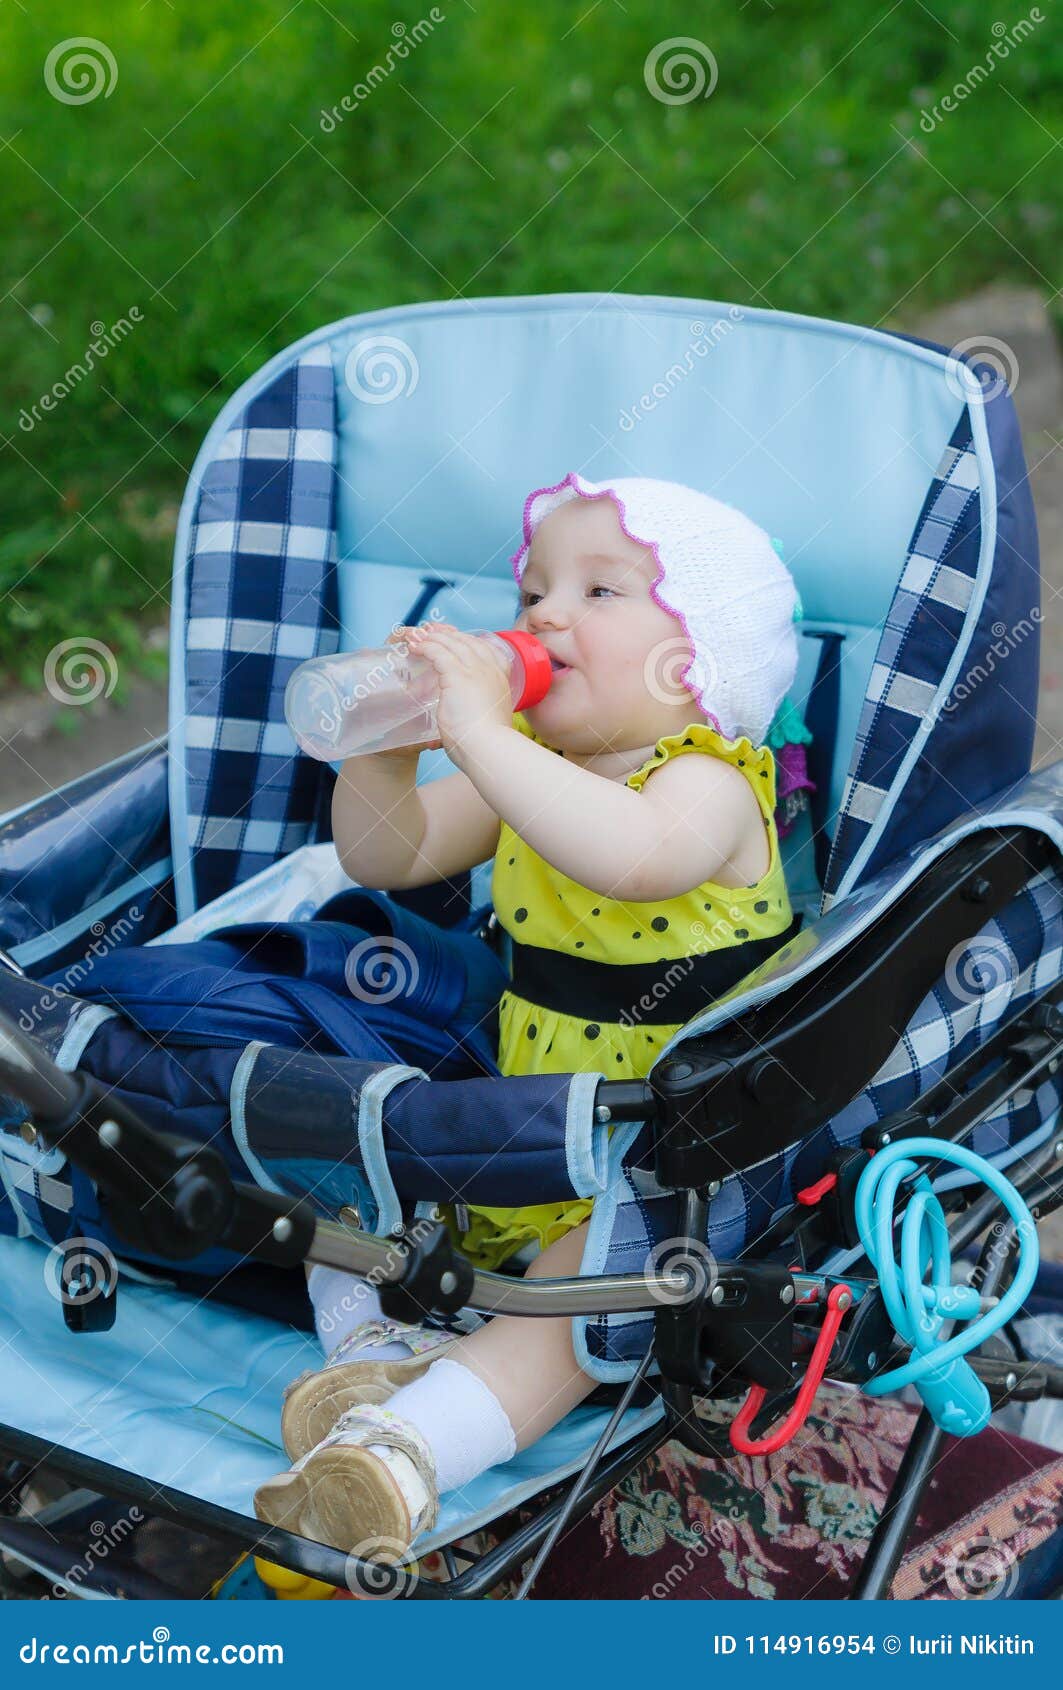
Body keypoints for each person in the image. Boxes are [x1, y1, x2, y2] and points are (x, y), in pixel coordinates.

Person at [254, 471, 807, 1559]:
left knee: (578, 1287)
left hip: (674, 1152)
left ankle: (410, 1449)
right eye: (533, 589)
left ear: (697, 661)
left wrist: (477, 728)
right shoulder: (537, 765)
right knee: (351, 1177)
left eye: (599, 591)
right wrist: (389, 735)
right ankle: (367, 1350)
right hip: (530, 1126)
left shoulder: (708, 781)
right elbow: (385, 853)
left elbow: (633, 856)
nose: (543, 615)